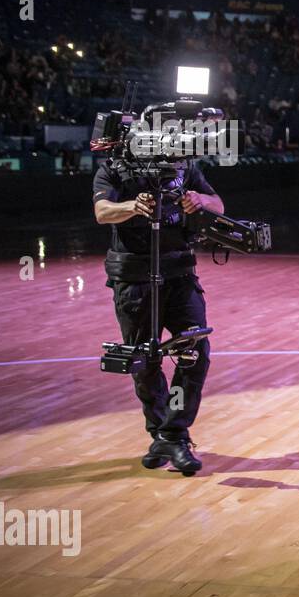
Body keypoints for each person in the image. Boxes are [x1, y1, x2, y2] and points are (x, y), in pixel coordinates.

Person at [92, 158, 223, 474]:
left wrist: (199, 200)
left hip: (180, 271)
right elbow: (102, 212)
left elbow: (217, 204)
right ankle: (163, 434)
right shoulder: (113, 168)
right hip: (134, 277)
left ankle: (172, 433)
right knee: (143, 361)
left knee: (195, 351)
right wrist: (134, 207)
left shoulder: (185, 166)